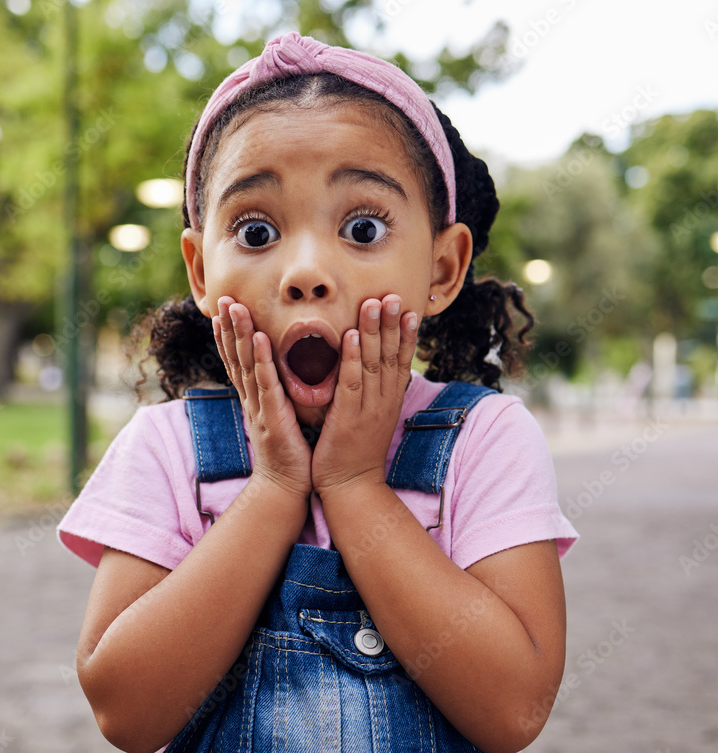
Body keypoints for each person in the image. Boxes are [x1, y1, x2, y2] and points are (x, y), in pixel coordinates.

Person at [57, 32, 578, 753]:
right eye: (256, 231)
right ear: (201, 271)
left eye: (362, 228)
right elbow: (126, 713)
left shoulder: (483, 441)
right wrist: (274, 489)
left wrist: (355, 485)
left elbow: (514, 709)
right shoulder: (168, 448)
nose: (305, 272)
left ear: (441, 268)